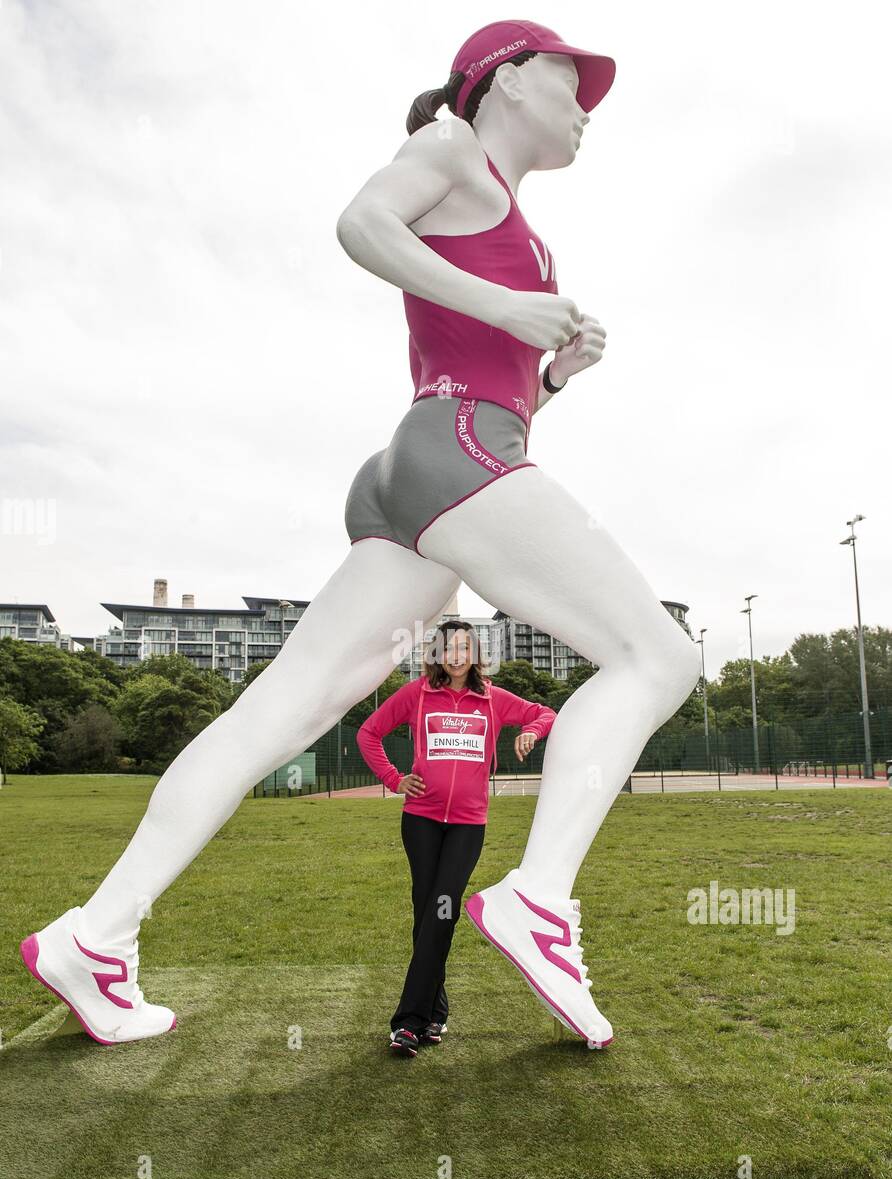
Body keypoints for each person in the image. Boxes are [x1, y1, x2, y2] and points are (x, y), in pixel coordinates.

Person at [20, 20, 701, 1049]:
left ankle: (96, 933)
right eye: (573, 82)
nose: (587, 106)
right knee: (660, 654)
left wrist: (556, 374)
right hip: (455, 456)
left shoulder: (512, 216)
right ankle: (539, 900)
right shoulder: (451, 147)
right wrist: (510, 310)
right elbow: (359, 224)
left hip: (426, 477)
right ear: (508, 80)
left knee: (274, 717)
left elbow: (498, 389)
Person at [357, 620, 557, 1057]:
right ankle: (434, 1013)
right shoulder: (417, 695)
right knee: (426, 914)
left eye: (465, 646)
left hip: (468, 825)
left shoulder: (493, 699)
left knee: (442, 912)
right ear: (438, 654)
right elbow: (368, 733)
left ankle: (408, 1022)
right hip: (421, 822)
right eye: (449, 647)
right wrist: (393, 779)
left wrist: (530, 731)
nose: (457, 654)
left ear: (475, 653)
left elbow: (545, 712)